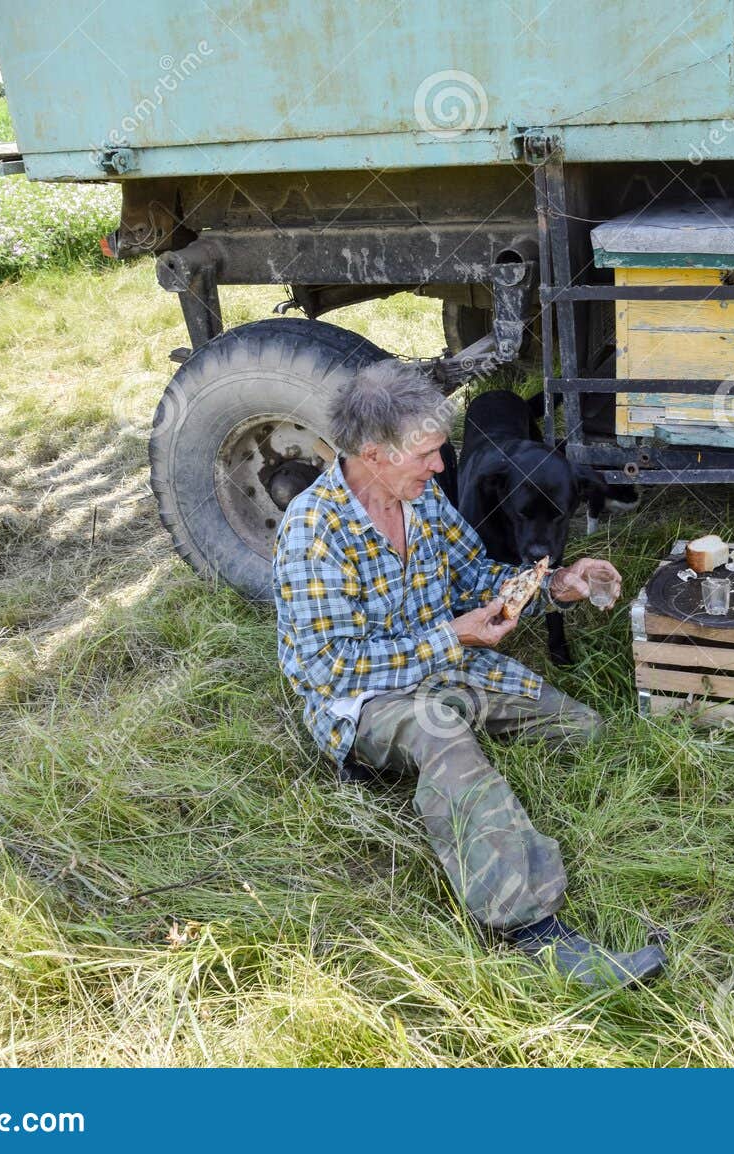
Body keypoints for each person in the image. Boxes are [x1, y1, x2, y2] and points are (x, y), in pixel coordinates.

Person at [272, 360, 667, 989]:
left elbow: (478, 578)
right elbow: (329, 669)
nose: (439, 467)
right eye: (427, 454)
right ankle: (534, 931)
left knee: (583, 730)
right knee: (440, 734)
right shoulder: (313, 533)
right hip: (365, 700)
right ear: (373, 454)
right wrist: (451, 636)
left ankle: (452, 750)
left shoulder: (422, 501)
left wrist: (558, 584)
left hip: (446, 660)